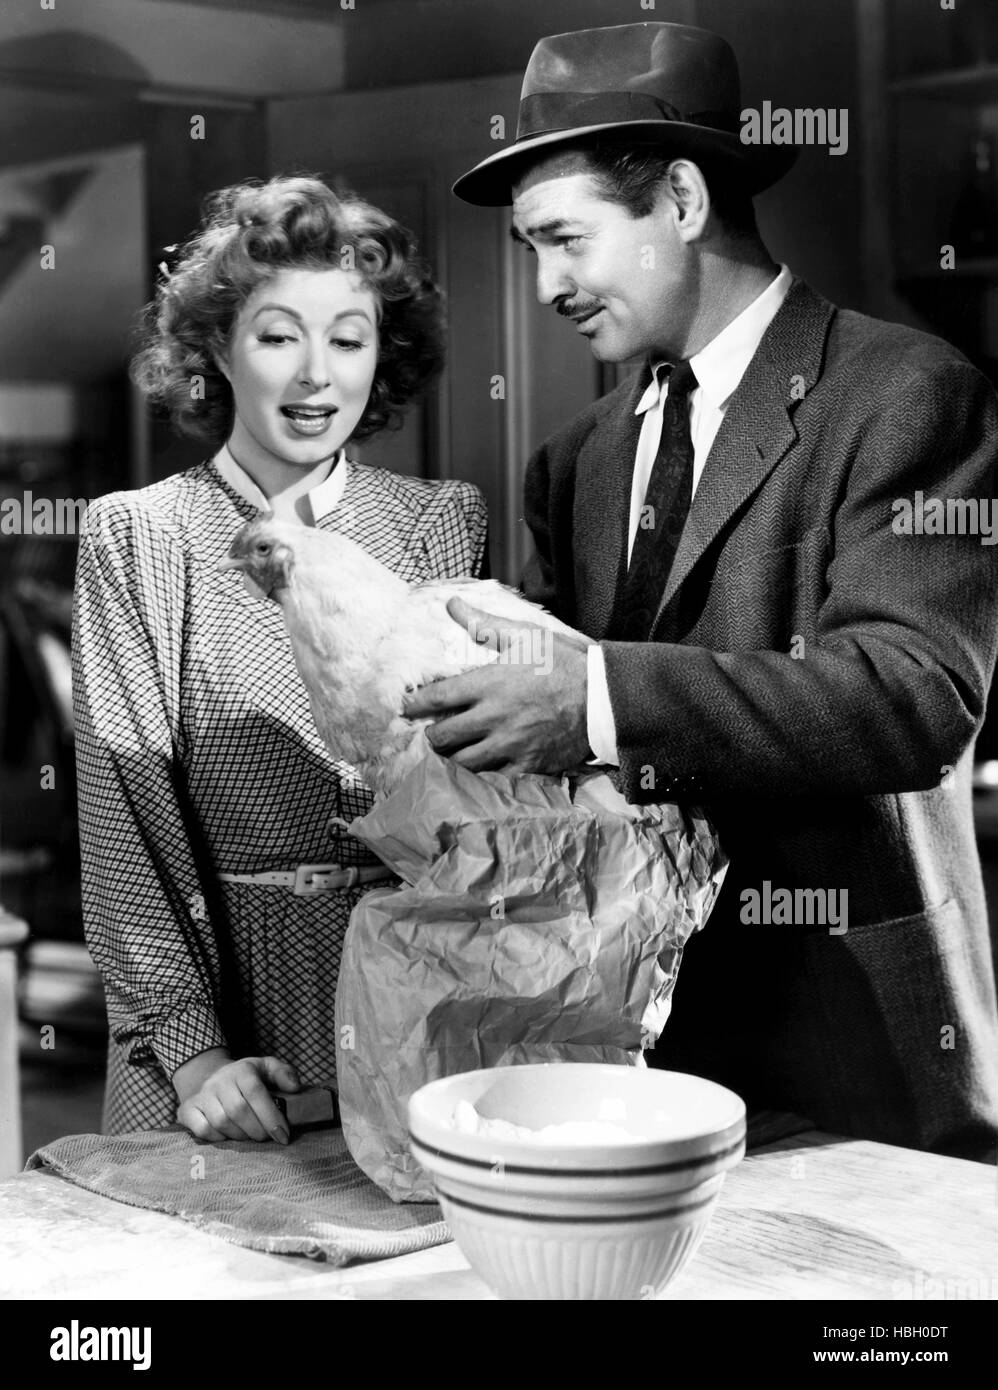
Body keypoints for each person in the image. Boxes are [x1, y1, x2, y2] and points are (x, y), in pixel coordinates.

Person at [403, 22, 998, 1159]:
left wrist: (590, 699)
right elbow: (562, 751)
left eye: (565, 241)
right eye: (532, 250)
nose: (545, 287)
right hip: (627, 1050)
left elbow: (910, 697)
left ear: (679, 198)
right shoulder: (572, 460)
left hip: (851, 1047)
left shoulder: (904, 393)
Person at [73, 175, 488, 1141]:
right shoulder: (140, 537)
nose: (316, 377)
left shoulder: (436, 521)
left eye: (348, 340)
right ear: (217, 348)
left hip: (406, 999)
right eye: (277, 337)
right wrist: (194, 1049)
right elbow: (120, 820)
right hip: (212, 1015)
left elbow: (460, 802)